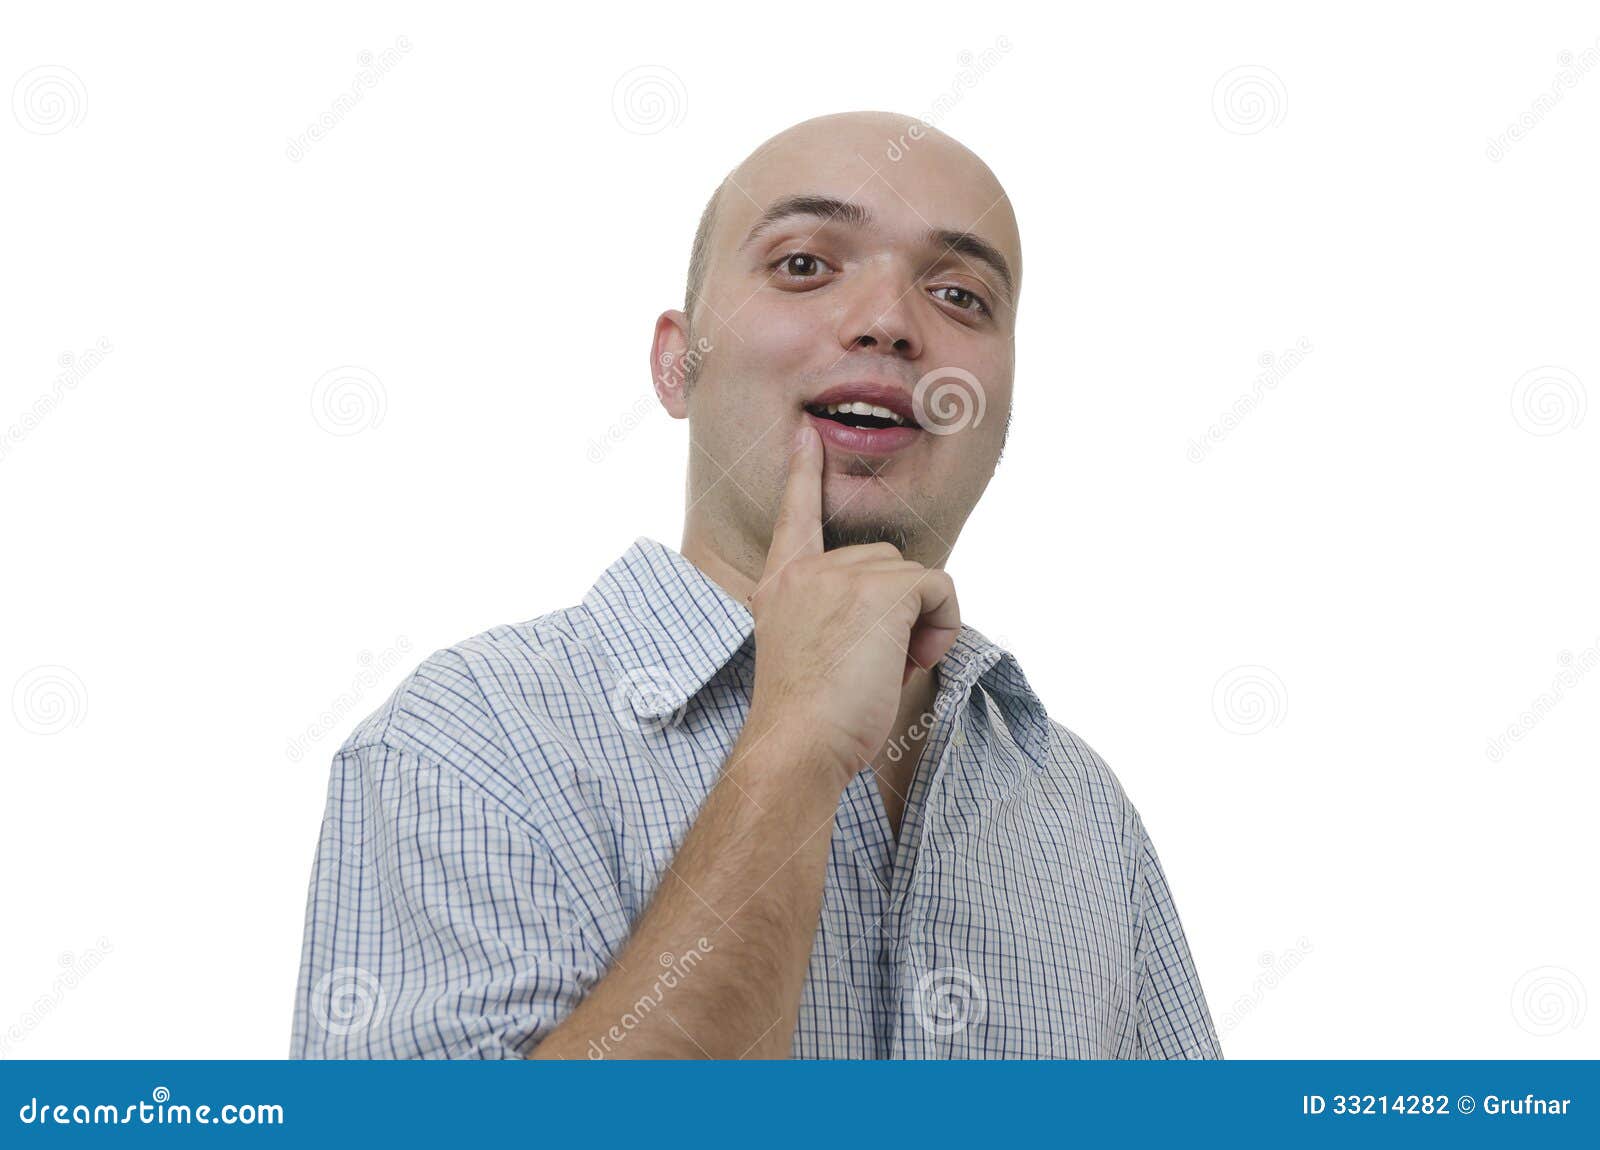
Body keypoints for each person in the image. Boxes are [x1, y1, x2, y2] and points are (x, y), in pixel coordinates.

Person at [290, 110, 1222, 1060]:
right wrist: (793, 745)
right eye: (804, 265)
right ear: (676, 363)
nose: (889, 322)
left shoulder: (1081, 810)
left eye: (959, 294)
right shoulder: (468, 738)